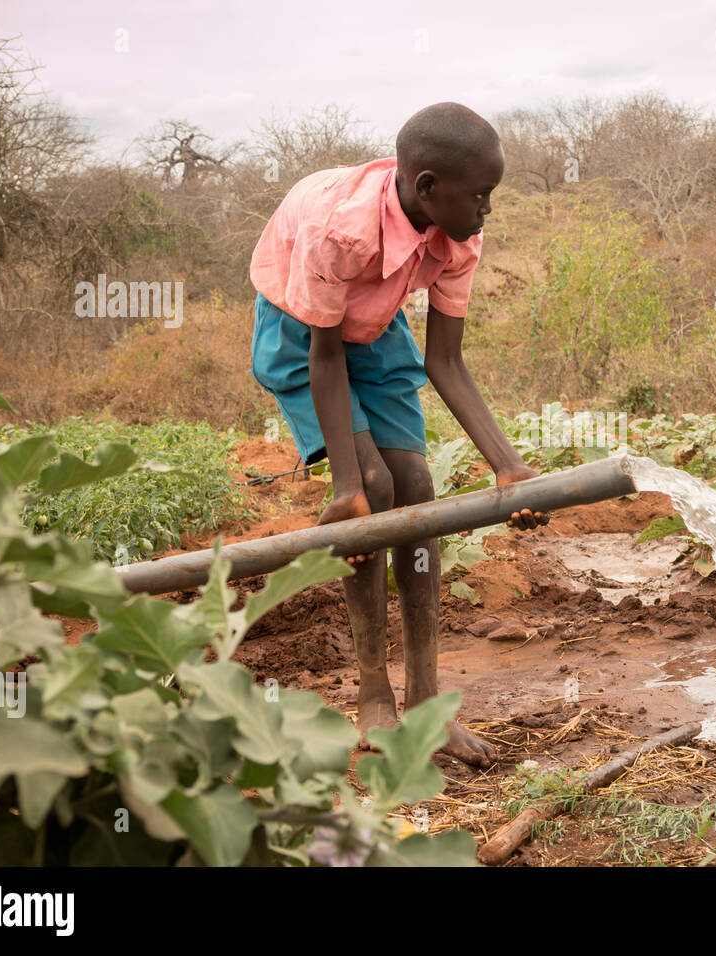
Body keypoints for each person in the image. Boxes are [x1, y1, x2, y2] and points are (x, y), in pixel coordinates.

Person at [249, 102, 548, 766]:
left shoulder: (461, 237)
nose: (487, 209)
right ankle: (376, 699)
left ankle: (426, 706)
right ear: (427, 189)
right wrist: (349, 488)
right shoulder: (341, 230)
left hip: (374, 321)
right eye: (479, 195)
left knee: (416, 486)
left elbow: (445, 360)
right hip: (304, 329)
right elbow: (325, 361)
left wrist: (511, 468)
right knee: (376, 491)